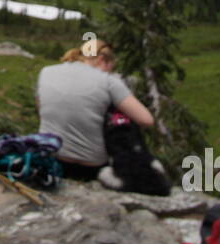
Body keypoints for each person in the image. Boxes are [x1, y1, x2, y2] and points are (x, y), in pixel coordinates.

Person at [36, 40, 154, 182]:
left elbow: (41, 110)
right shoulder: (108, 81)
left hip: (50, 158)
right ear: (102, 59)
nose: (111, 71)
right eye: (111, 66)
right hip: (90, 166)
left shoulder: (46, 71)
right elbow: (146, 120)